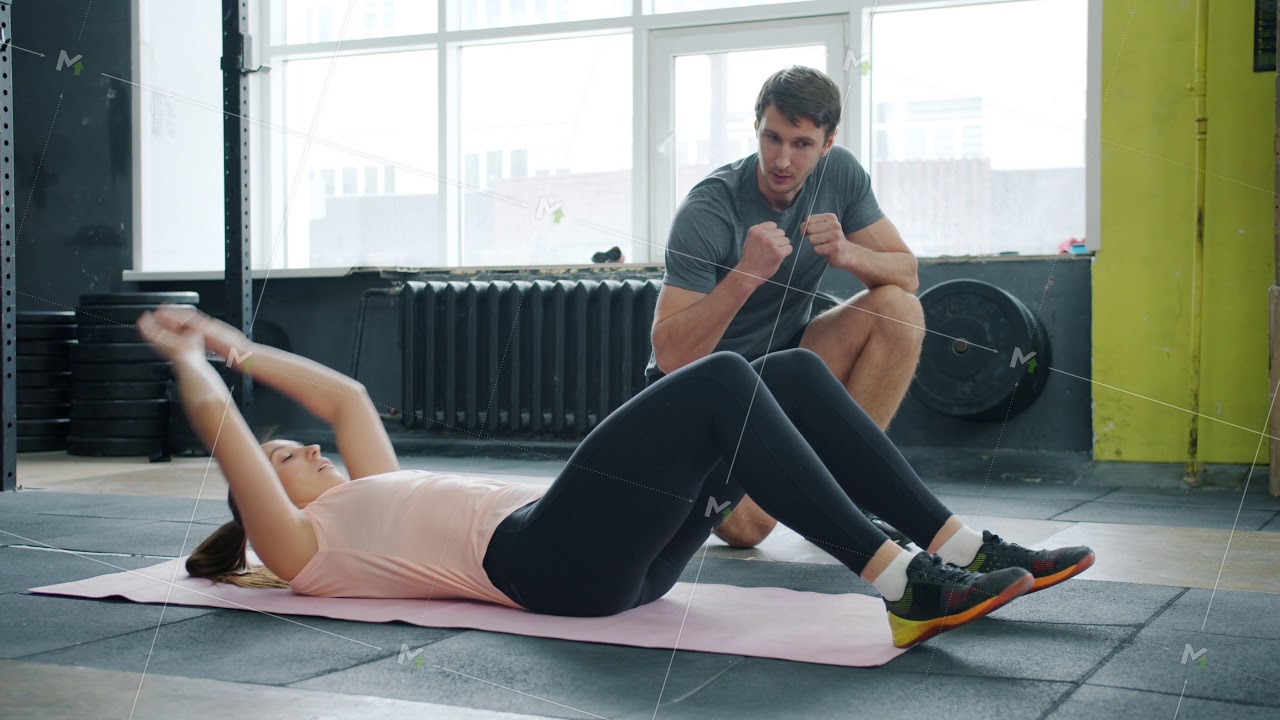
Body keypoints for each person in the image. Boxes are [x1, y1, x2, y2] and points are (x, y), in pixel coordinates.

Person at [138, 305, 1093, 650]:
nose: (303, 450)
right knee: (720, 377)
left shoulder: (364, 488)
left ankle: (957, 548)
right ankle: (899, 581)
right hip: (552, 561)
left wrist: (234, 342)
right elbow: (224, 432)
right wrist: (189, 361)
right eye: (280, 462)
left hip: (616, 562)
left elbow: (345, 397)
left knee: (788, 374)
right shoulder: (306, 548)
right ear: (262, 512)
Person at [648, 65, 923, 550]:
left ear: (827, 142)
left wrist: (847, 254)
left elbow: (907, 274)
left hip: (793, 365)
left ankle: (846, 498)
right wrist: (745, 276)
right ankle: (805, 492)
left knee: (899, 311)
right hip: (709, 393)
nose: (781, 159)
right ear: (756, 128)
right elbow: (670, 357)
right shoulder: (709, 209)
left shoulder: (842, 176)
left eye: (801, 144)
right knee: (749, 530)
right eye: (771, 137)